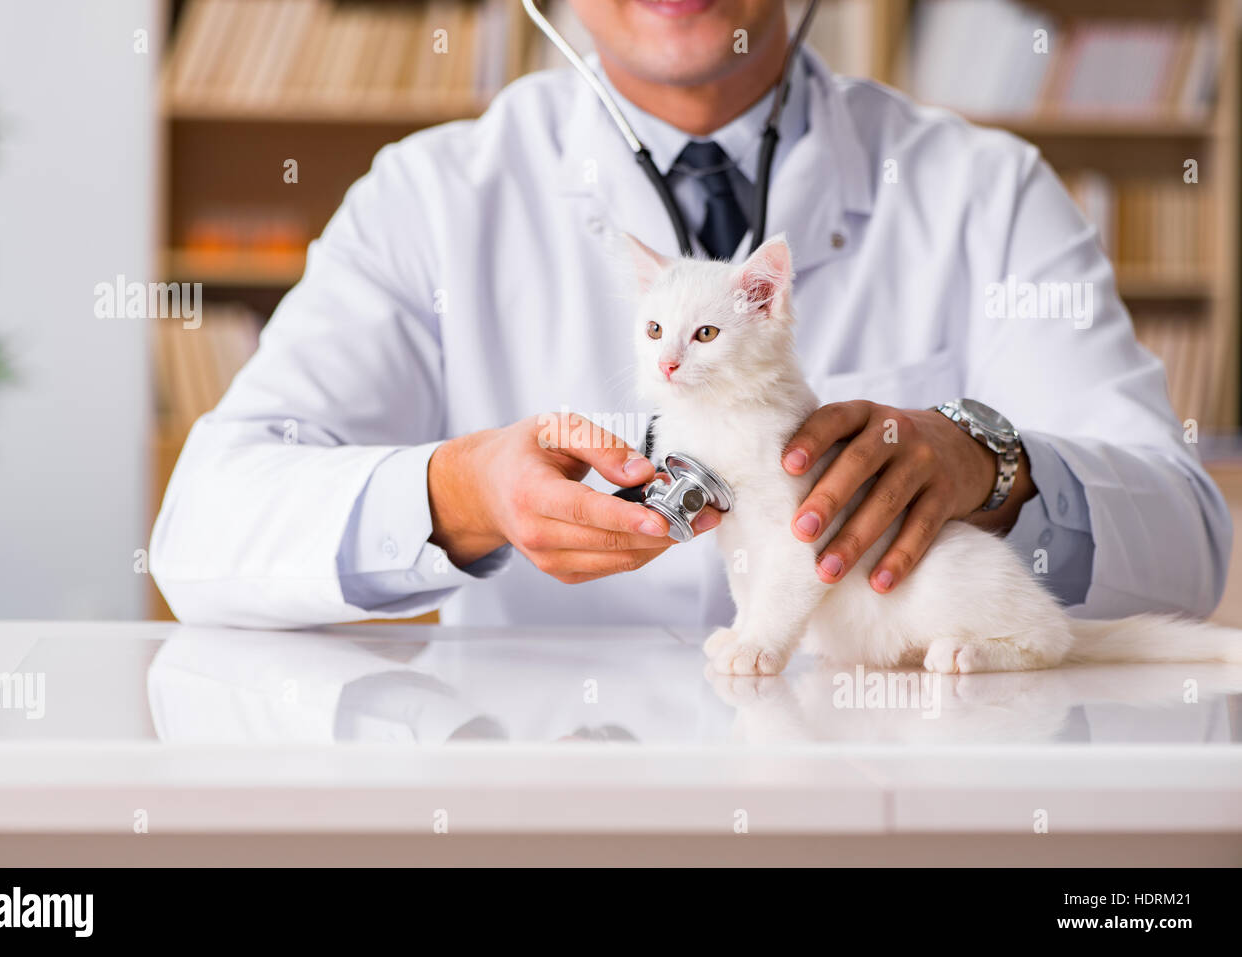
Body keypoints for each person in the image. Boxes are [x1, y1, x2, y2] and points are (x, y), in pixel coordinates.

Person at [150, 0, 1230, 630]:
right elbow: (201, 531)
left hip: (896, 795)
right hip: (550, 800)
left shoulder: (983, 190)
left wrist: (992, 467)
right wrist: (462, 491)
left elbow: (1187, 541)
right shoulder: (429, 195)